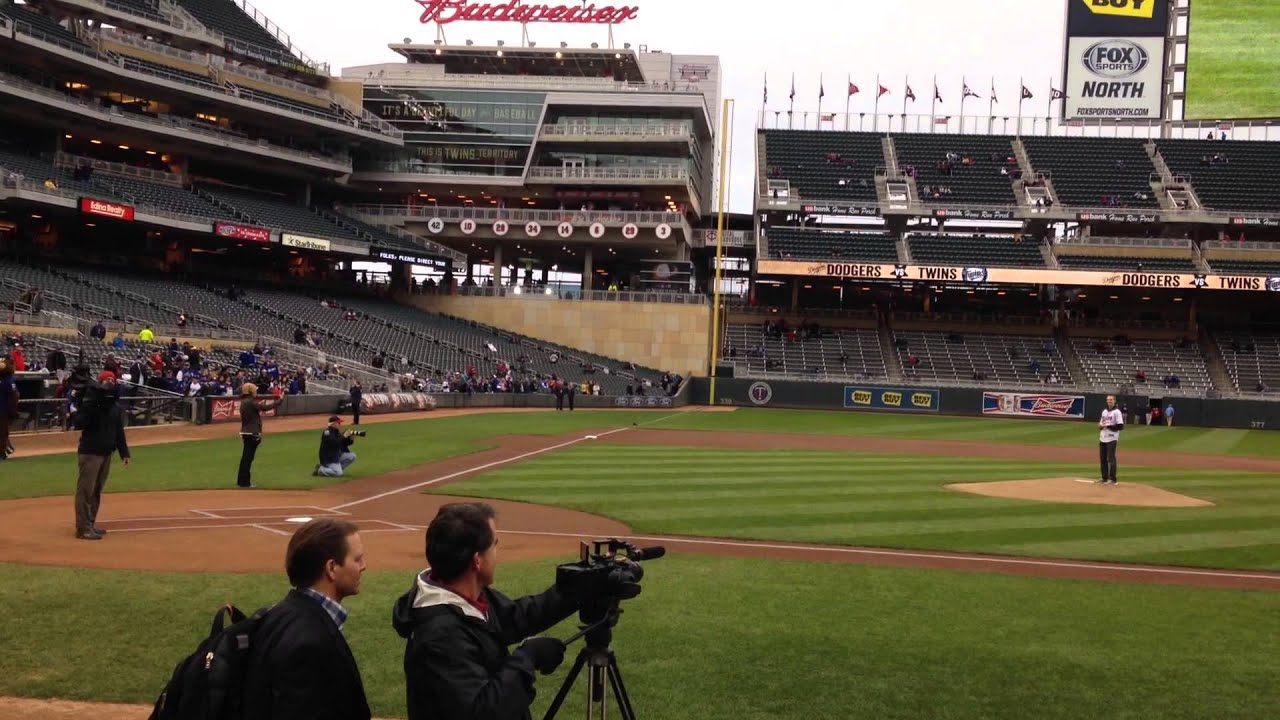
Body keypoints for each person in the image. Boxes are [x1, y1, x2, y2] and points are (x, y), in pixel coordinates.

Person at [392, 502, 578, 720]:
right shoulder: (441, 635)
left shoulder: (467, 594)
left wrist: (576, 592)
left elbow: (515, 617)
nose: (497, 552)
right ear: (477, 560)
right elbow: (481, 712)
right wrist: (527, 656)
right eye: (494, 545)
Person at [241, 518, 371, 720]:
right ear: (331, 568)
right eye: (357, 559)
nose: (364, 566)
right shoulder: (308, 644)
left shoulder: (278, 614)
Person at [75, 371, 131, 540]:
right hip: (91, 453)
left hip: (106, 453)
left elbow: (118, 431)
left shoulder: (114, 406)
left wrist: (124, 452)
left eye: (113, 380)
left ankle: (90, 523)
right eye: (107, 380)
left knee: (97, 490)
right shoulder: (91, 404)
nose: (110, 382)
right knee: (86, 490)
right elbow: (79, 423)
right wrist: (92, 403)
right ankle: (82, 527)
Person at [238, 382, 283, 488]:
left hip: (246, 431)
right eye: (254, 390)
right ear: (250, 391)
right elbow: (265, 408)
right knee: (248, 458)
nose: (256, 391)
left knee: (245, 457)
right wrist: (280, 400)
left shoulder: (244, 402)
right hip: (252, 432)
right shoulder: (250, 402)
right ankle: (245, 482)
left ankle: (241, 480)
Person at [1097, 395, 1124, 485]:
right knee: (1103, 459)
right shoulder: (1104, 411)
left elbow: (1120, 426)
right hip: (1102, 438)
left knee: (1111, 459)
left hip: (1112, 438)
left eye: (1111, 400)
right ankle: (1104, 478)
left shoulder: (1117, 412)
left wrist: (1107, 426)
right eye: (1108, 400)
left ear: (1114, 401)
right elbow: (1101, 423)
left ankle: (1112, 479)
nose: (1109, 401)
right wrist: (1100, 426)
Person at [1, 357, 17, 460]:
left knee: (3, 432)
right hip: (3, 410)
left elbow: (13, 397)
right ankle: (4, 450)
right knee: (3, 432)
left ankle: (4, 450)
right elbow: (14, 397)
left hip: (3, 410)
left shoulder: (7, 381)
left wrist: (12, 411)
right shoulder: (8, 381)